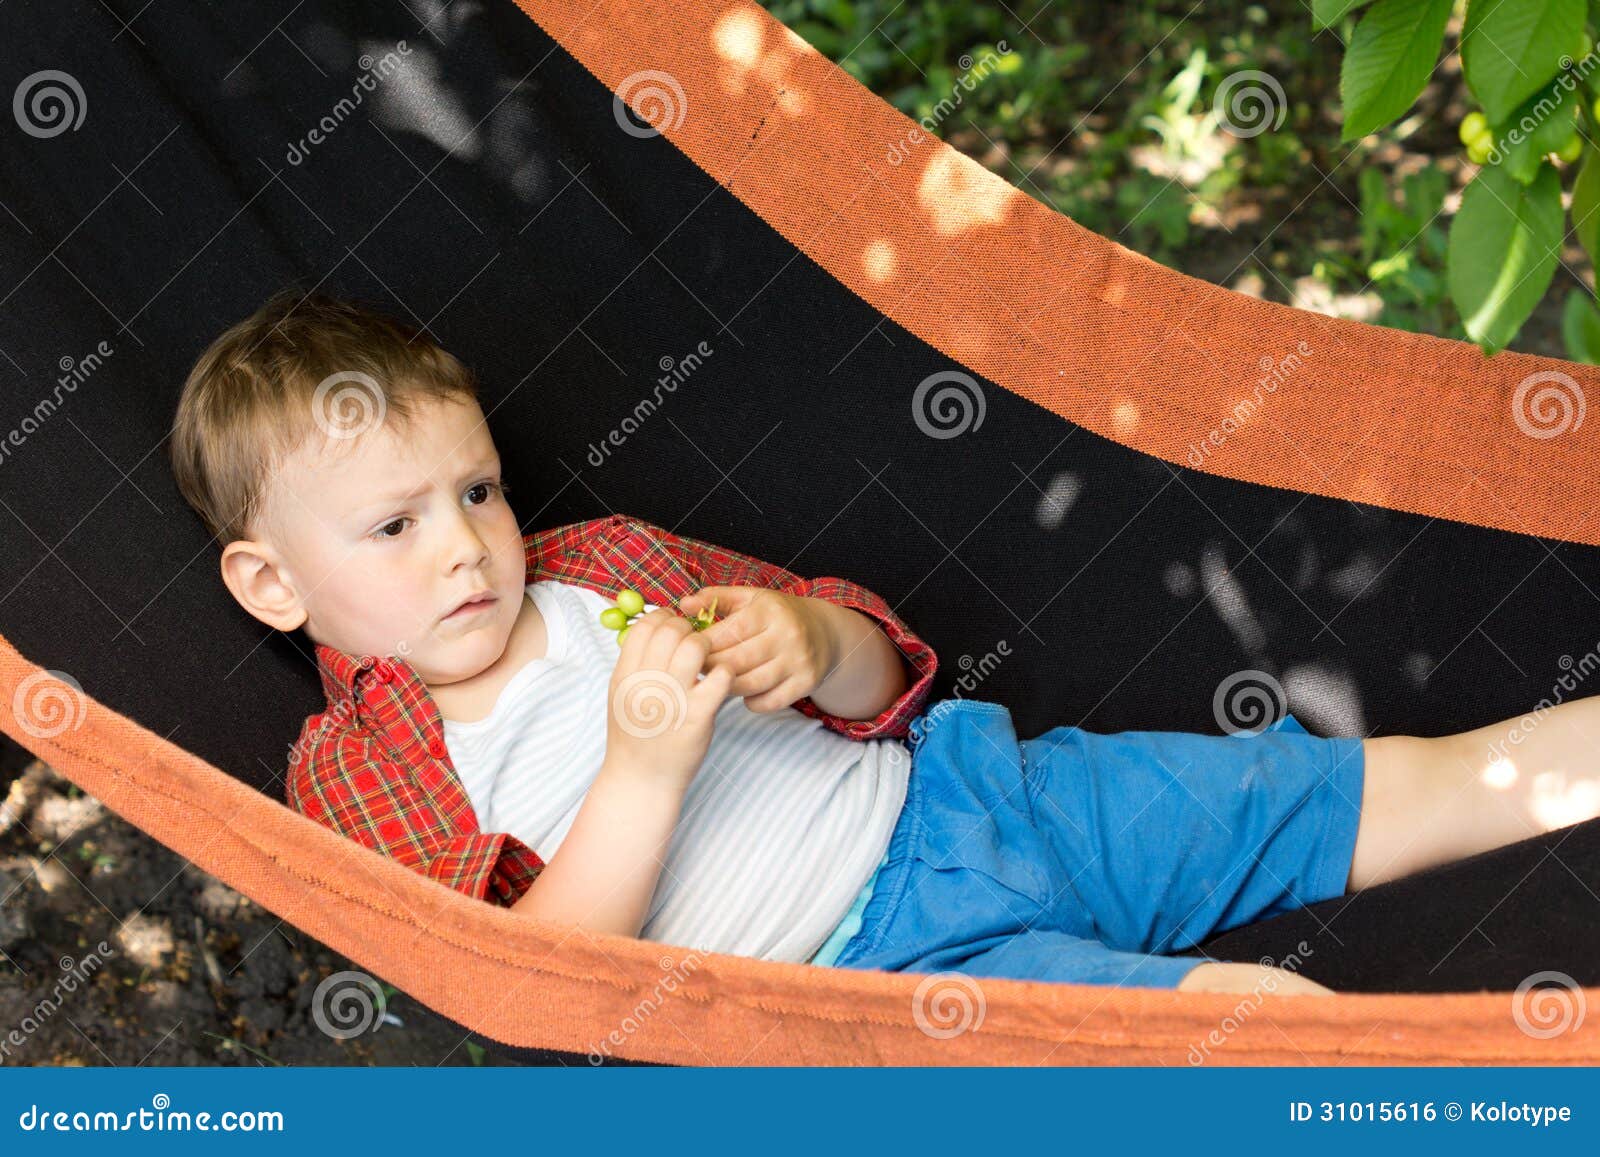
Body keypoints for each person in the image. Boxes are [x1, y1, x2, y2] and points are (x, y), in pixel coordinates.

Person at [168, 290, 1600, 997]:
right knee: (1253, 1029)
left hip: (978, 795)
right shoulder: (357, 767)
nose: (467, 543)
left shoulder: (600, 563)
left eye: (476, 488)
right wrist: (643, 773)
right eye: (393, 526)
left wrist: (811, 637)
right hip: (876, 979)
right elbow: (526, 980)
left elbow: (880, 678)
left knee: (1350, 789)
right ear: (270, 583)